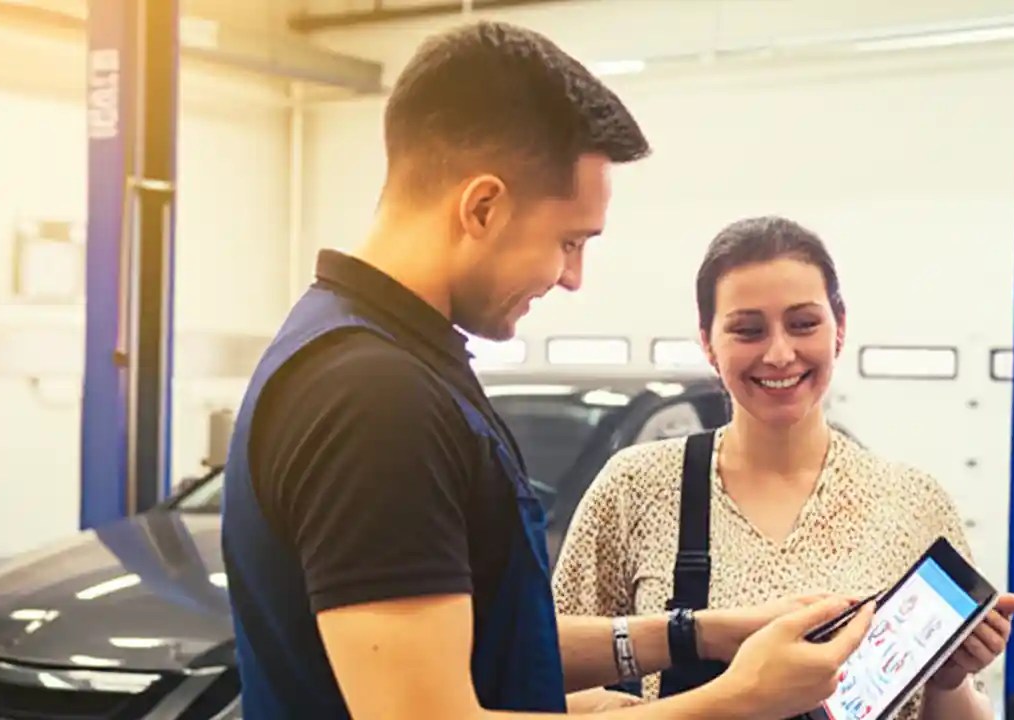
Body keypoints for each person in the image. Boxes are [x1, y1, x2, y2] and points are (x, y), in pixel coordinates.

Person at [221, 21, 875, 720]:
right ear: (482, 206)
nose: (573, 279)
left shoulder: (381, 357)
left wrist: (697, 635)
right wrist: (736, 701)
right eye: (569, 242)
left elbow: (489, 645)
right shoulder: (374, 399)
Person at [551, 216, 1014, 719]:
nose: (779, 354)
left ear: (839, 329)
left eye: (803, 324)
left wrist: (948, 682)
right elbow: (537, 678)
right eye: (748, 330)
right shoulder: (637, 488)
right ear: (709, 343)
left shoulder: (912, 502)